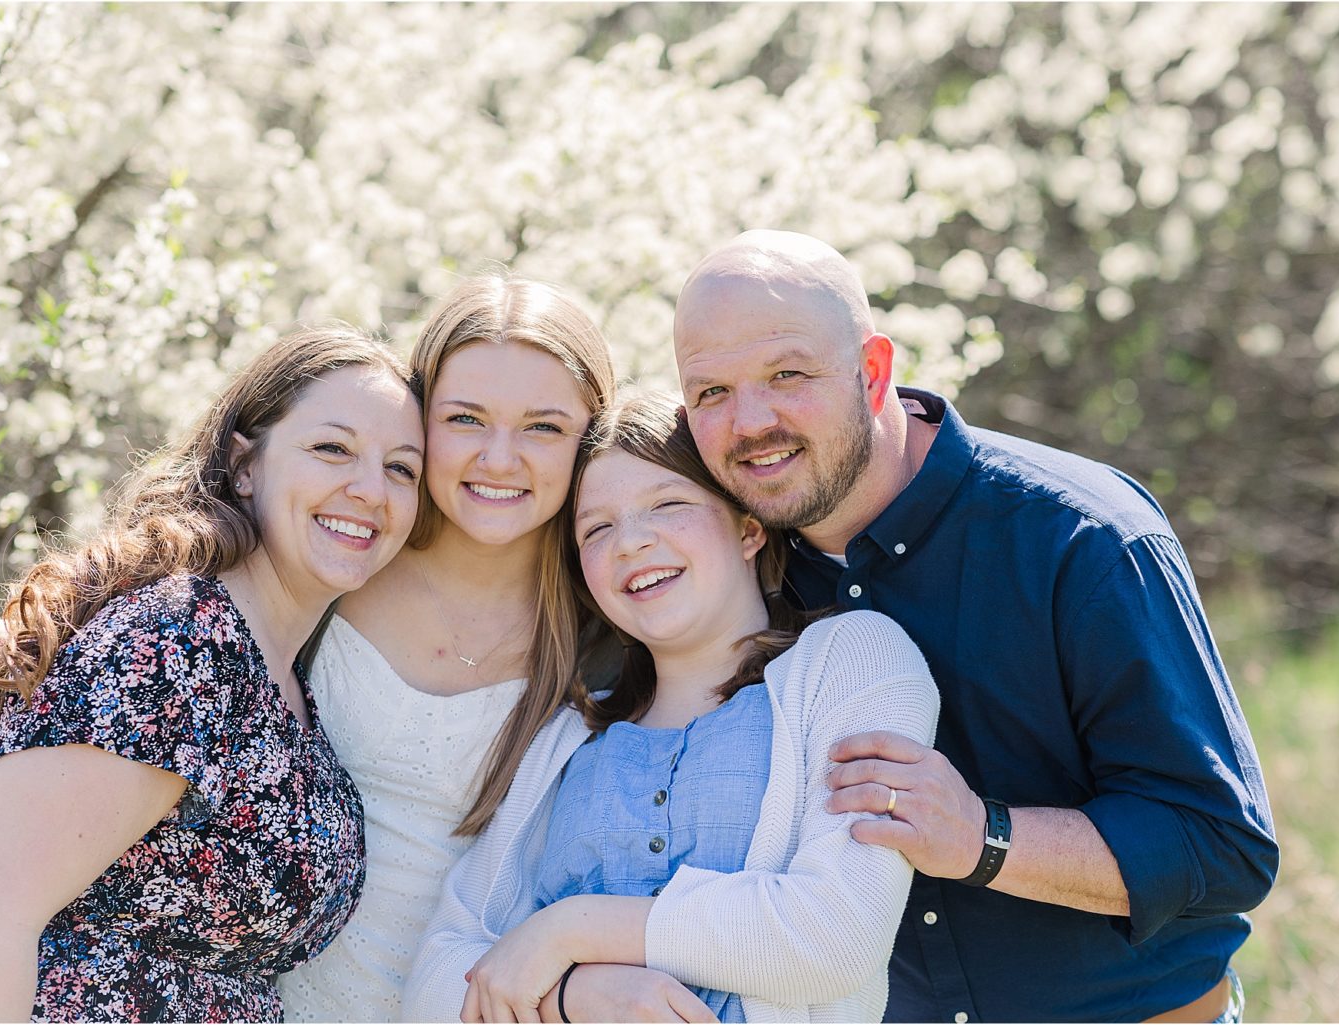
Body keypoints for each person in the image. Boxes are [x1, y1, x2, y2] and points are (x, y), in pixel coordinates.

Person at [669, 229, 1279, 1022]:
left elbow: (1221, 845)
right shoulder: (717, 571)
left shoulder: (1084, 540)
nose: (751, 421)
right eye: (711, 392)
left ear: (873, 371)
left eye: (787, 374)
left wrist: (983, 839)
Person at [0, 326, 426, 1022]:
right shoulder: (180, 637)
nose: (370, 489)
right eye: (332, 449)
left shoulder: (284, 680)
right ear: (245, 464)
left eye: (401, 469)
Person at [403, 391, 942, 1024]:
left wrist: (570, 930)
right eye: (596, 529)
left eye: (668, 505)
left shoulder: (850, 662)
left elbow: (837, 934)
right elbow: (435, 986)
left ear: (749, 528)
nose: (630, 543)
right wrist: (575, 997)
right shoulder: (565, 738)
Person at [277, 273, 621, 1021]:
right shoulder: (335, 562)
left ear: (590, 442)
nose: (499, 459)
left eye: (543, 428)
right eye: (466, 419)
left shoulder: (614, 637)